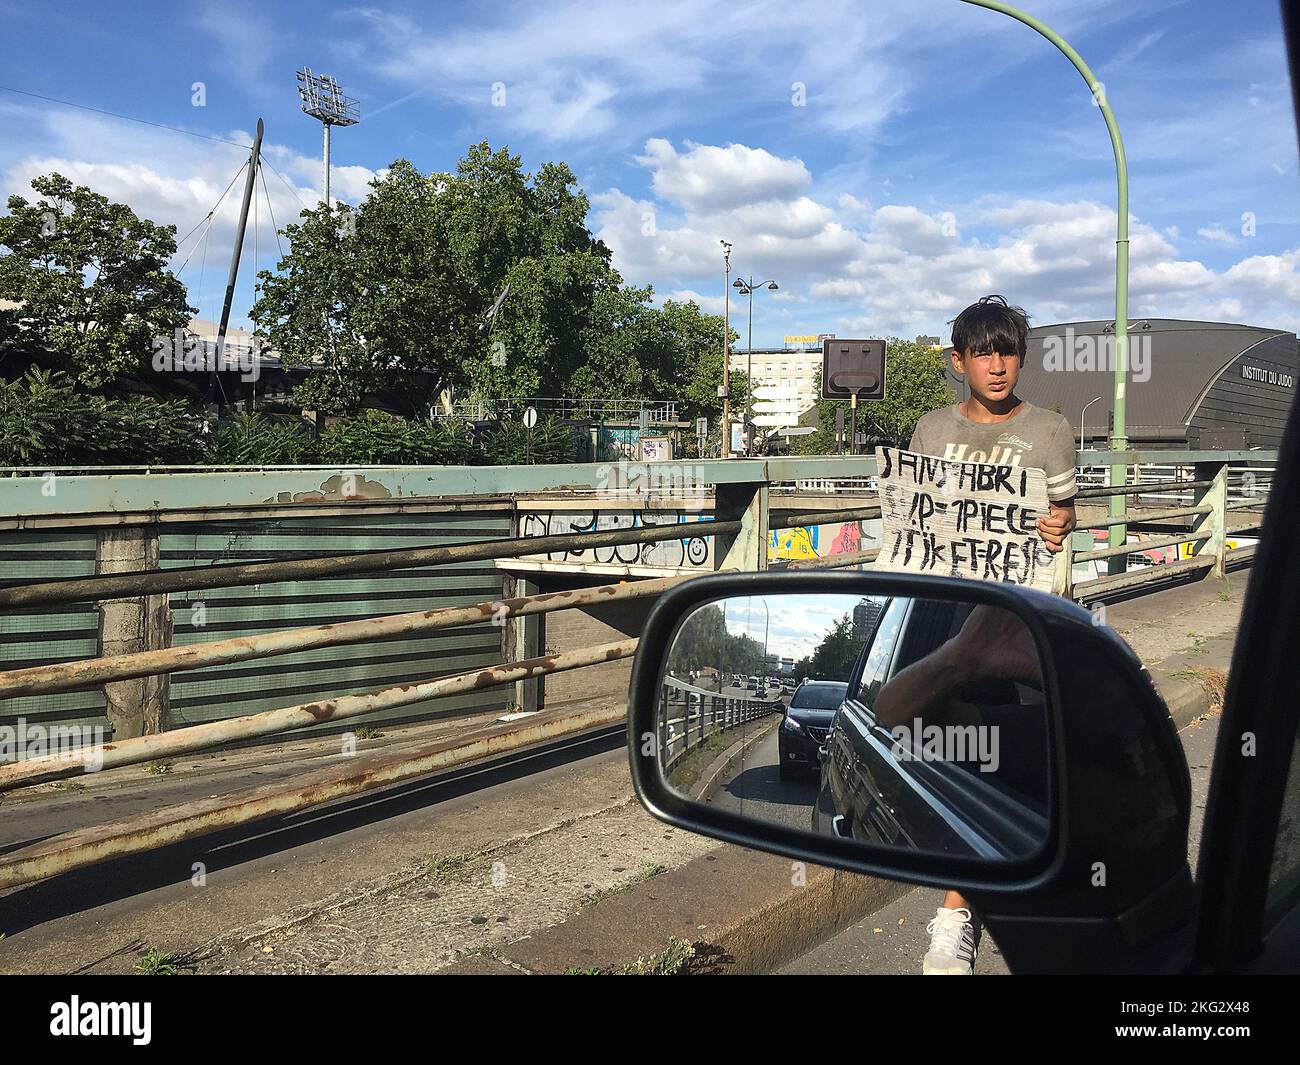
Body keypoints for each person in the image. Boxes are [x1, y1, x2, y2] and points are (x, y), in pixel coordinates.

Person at [906, 294, 1078, 975]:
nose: (998, 363)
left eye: (1008, 350)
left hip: (1017, 620)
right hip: (939, 617)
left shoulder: (1053, 431)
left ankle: (956, 911)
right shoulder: (926, 430)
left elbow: (1067, 517)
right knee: (963, 756)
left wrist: (1063, 525)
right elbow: (908, 526)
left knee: (1006, 759)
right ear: (959, 361)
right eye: (984, 351)